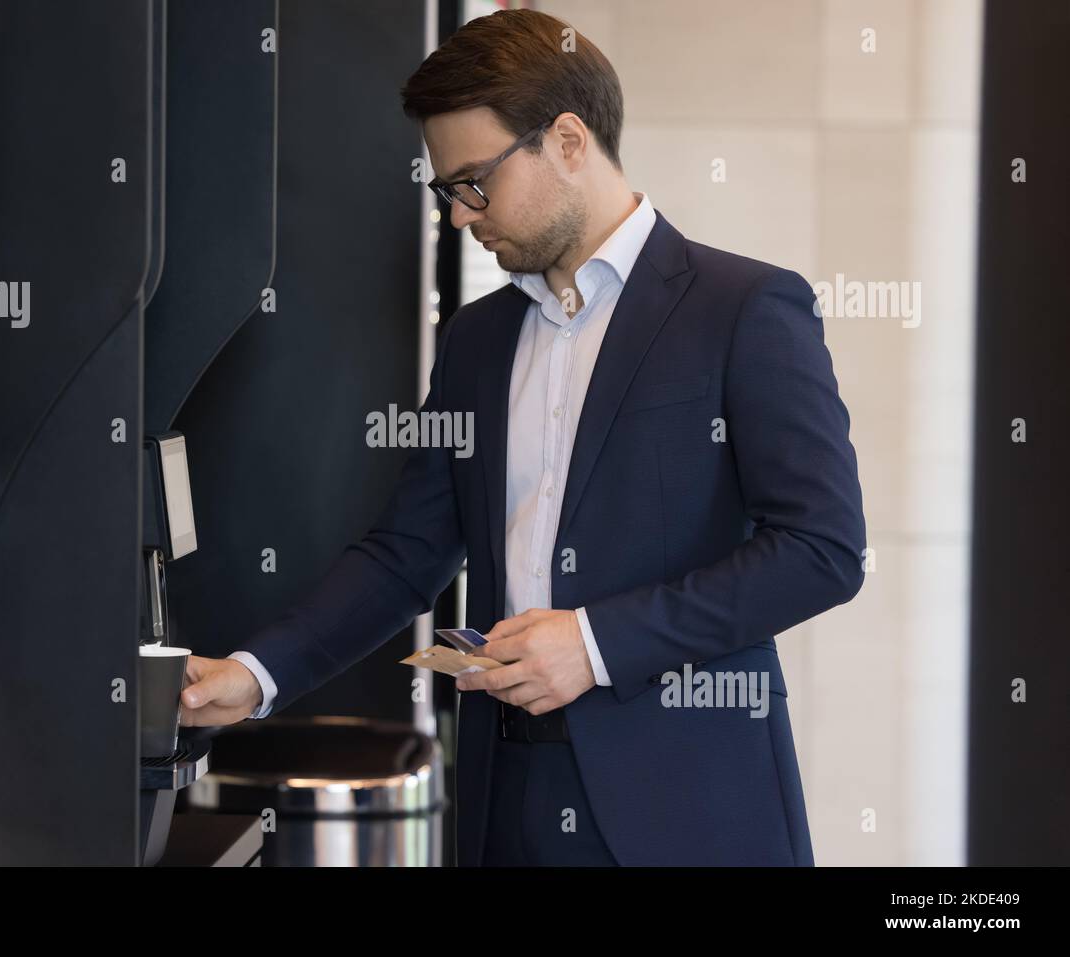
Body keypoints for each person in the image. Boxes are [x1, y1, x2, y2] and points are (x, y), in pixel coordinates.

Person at [177, 8, 865, 866]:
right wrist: (255, 673)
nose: (461, 218)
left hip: (688, 807)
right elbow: (407, 554)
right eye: (447, 192)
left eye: (475, 183)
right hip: (506, 797)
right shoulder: (477, 338)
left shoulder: (746, 309)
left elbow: (822, 548)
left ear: (568, 142)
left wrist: (593, 644)